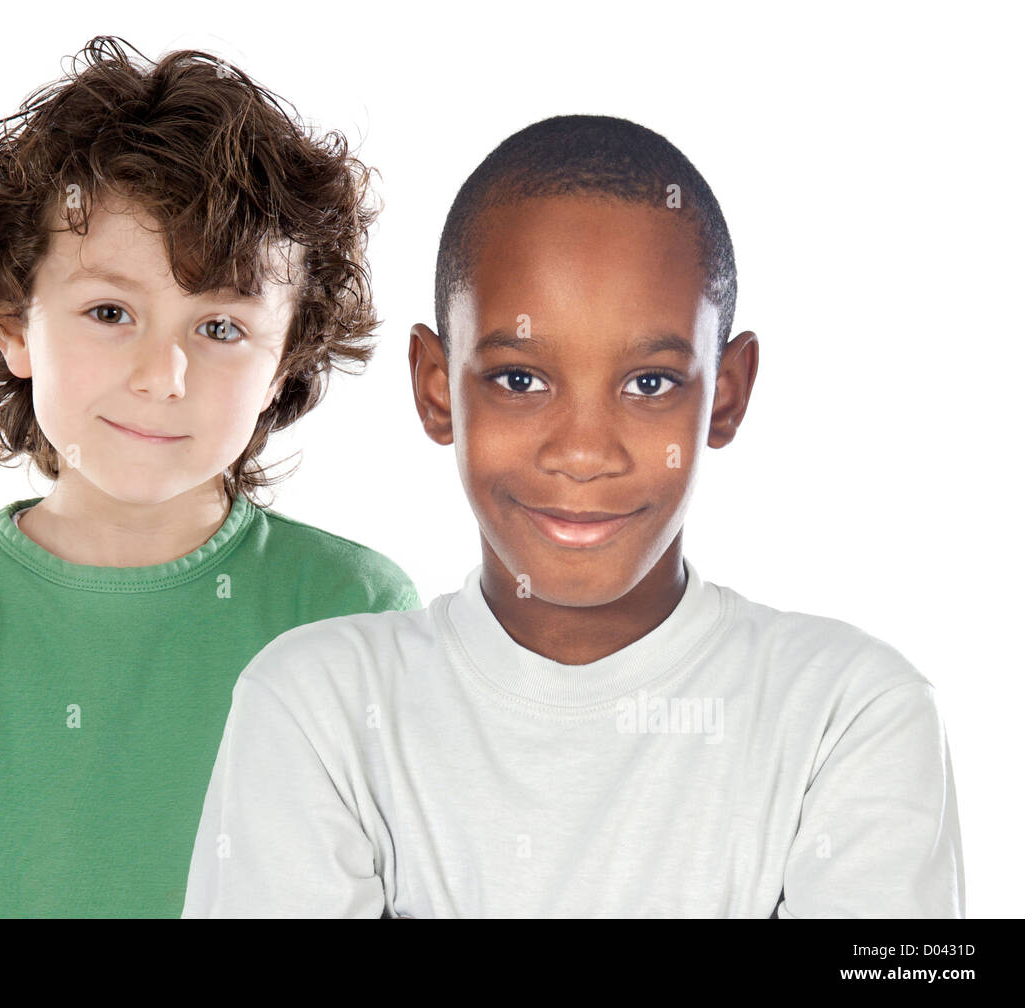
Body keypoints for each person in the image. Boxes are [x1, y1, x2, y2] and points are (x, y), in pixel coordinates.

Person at [182, 114, 964, 918]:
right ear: (435, 386)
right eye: (520, 380)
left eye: (650, 383)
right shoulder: (317, 706)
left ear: (726, 394)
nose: (584, 452)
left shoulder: (850, 715)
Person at [0, 36, 419, 918]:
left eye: (220, 327)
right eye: (110, 312)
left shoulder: (355, 612)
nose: (164, 374)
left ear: (285, 360)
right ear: (13, 328)